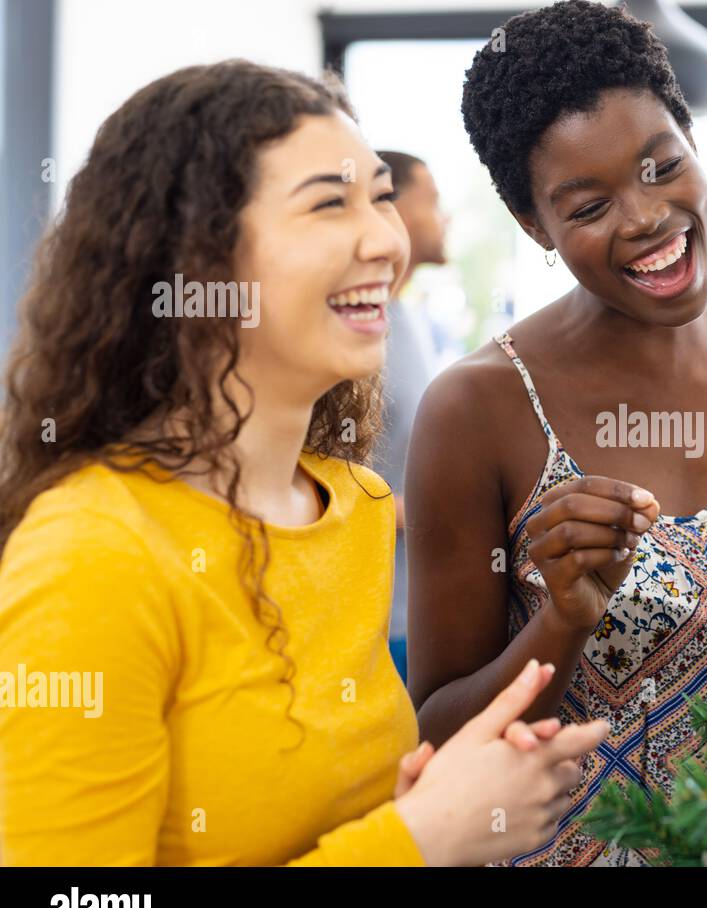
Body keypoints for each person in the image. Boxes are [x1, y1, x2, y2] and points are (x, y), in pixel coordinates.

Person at [0, 59, 607, 866]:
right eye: (329, 203)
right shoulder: (93, 554)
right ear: (194, 262)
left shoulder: (350, 506)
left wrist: (438, 800)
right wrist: (418, 839)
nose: (384, 241)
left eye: (382, 196)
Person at [406, 0, 707, 867]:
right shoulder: (480, 407)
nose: (646, 216)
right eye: (588, 207)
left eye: (662, 166)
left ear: (692, 141)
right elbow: (437, 736)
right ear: (534, 226)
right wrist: (562, 623)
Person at [372, 150, 452, 681]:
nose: (444, 218)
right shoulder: (356, 333)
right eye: (434, 201)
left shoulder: (409, 318)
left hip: (417, 617)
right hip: (376, 624)